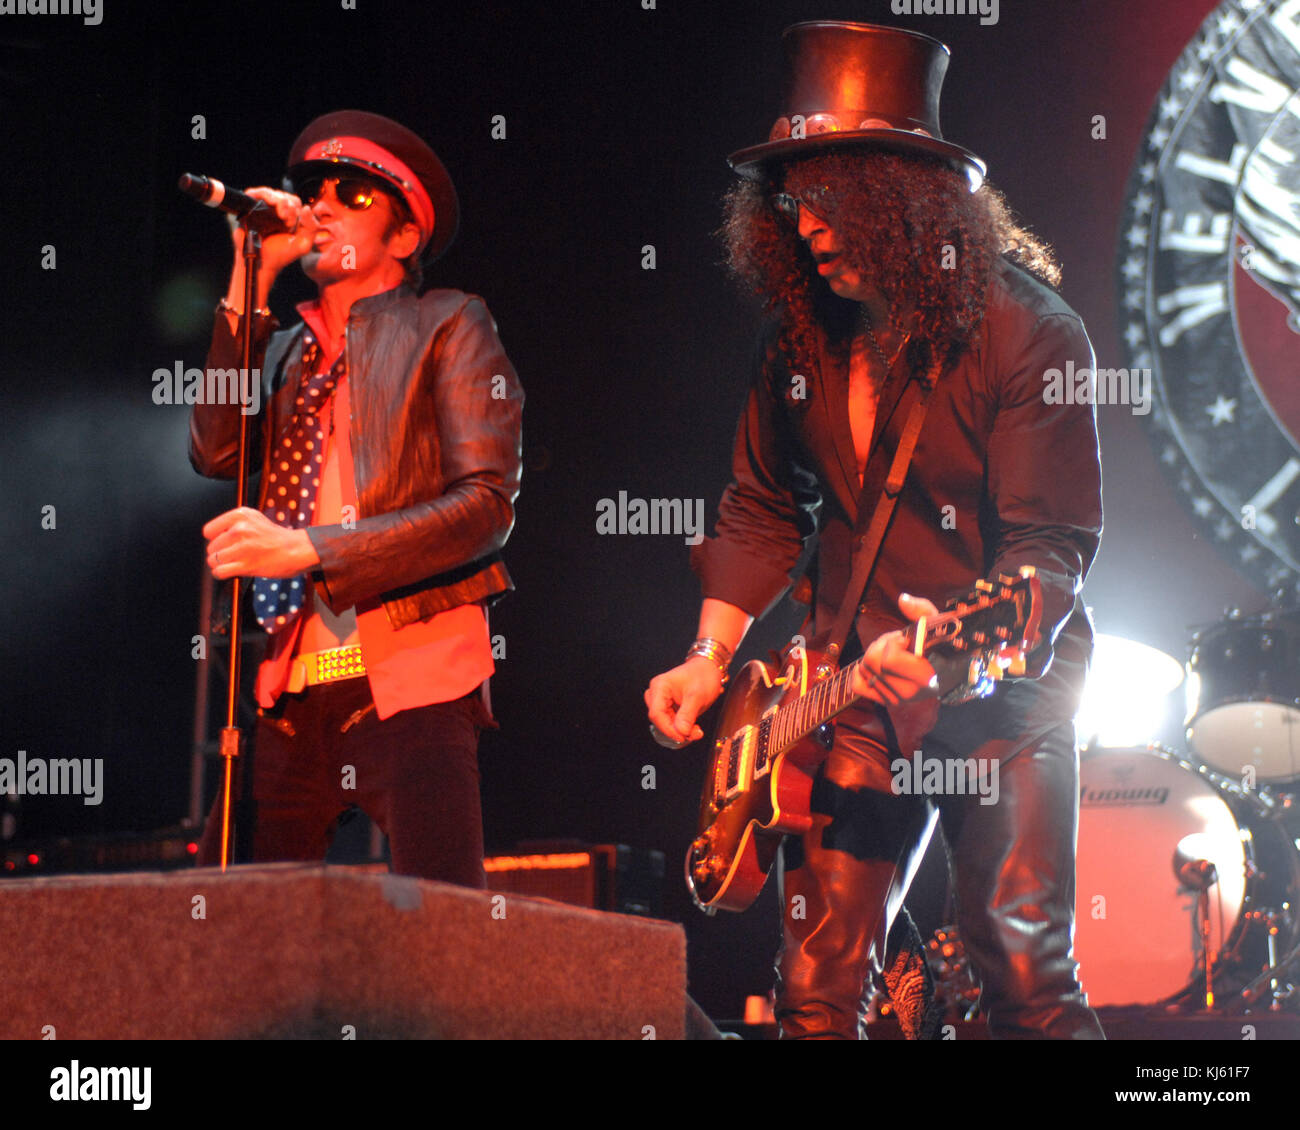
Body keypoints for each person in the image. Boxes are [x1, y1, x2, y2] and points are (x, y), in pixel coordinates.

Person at [645, 22, 1105, 1039]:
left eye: (834, 195)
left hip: (1003, 693)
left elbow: (1048, 548)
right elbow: (762, 504)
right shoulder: (799, 339)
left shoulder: (1031, 333)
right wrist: (708, 652)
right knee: (817, 994)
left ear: (909, 199)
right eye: (794, 197)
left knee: (1024, 977)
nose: (808, 221)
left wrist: (958, 647)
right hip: (849, 695)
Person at [190, 110, 523, 888]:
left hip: (412, 676)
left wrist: (307, 549)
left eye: (355, 194)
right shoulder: (282, 353)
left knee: (441, 932)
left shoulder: (449, 322)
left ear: (404, 239)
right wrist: (253, 276)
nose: (325, 203)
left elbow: (486, 508)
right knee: (220, 940)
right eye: (314, 189)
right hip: (289, 685)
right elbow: (216, 449)